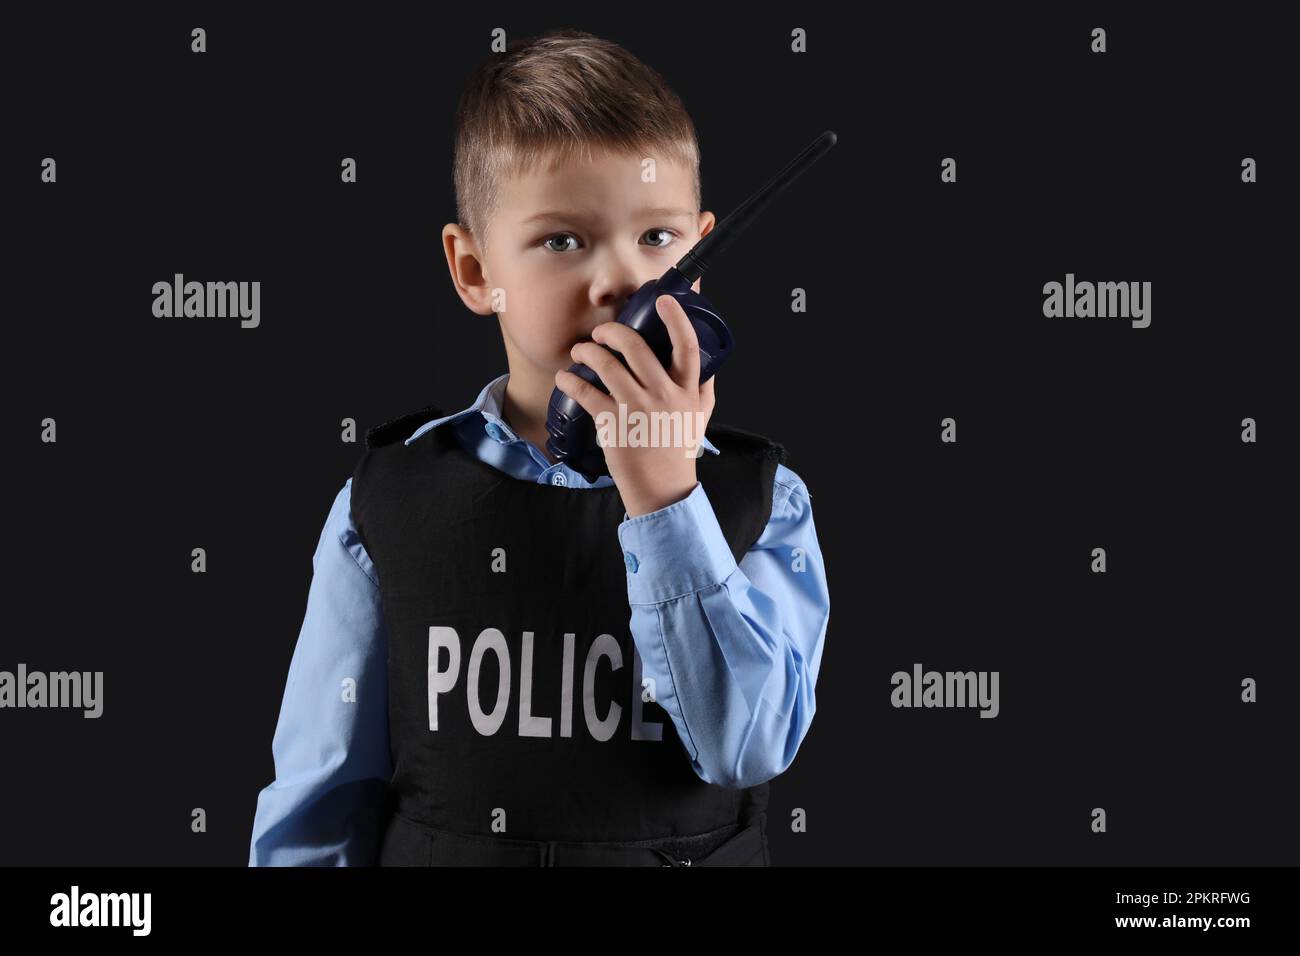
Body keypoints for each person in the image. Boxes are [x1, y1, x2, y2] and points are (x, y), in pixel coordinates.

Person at [249, 28, 830, 867]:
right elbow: (317, 799)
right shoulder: (385, 504)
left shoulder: (764, 502)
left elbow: (748, 747)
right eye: (564, 241)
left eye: (660, 240)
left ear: (702, 257)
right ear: (476, 270)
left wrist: (668, 501)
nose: (621, 281)